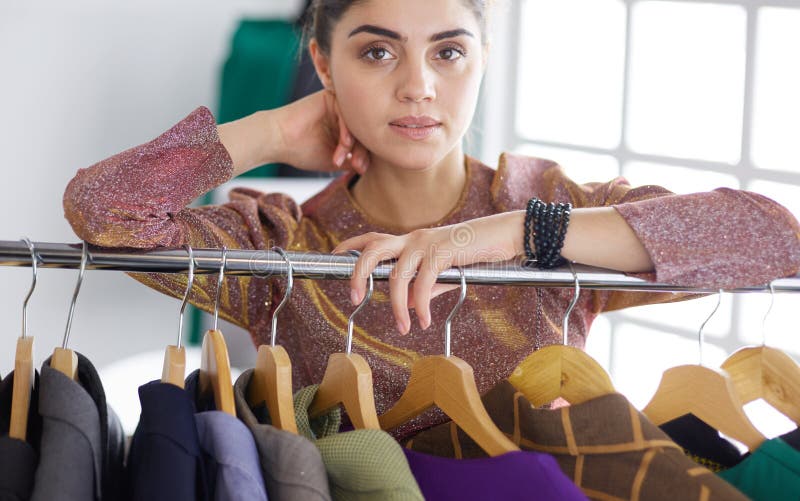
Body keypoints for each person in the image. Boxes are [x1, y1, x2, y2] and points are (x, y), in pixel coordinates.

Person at [62, 0, 800, 440]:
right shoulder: (279, 242)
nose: (418, 86)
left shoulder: (555, 202)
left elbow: (774, 238)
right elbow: (102, 210)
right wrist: (271, 133)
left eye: (448, 52)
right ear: (322, 64)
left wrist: (509, 233)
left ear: (482, 56)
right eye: (377, 51)